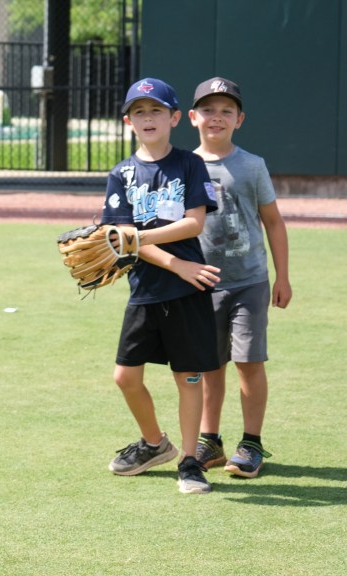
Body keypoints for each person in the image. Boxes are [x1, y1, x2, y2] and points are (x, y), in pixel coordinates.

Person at [101, 78, 222, 494]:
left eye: (156, 110)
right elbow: (120, 238)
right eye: (139, 111)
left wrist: (138, 236)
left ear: (174, 118)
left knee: (188, 377)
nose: (147, 117)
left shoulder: (189, 164)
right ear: (128, 121)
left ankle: (189, 461)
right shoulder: (121, 174)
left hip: (187, 291)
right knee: (125, 376)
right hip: (147, 289)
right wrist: (175, 263)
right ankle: (155, 443)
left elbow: (194, 222)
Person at [188, 77, 292, 479]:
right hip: (201, 283)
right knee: (209, 366)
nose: (217, 117)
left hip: (249, 281)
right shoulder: (183, 166)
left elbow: (274, 222)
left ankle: (251, 442)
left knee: (249, 362)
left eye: (226, 111)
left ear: (240, 119)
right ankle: (209, 441)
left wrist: (282, 277)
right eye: (208, 110)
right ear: (193, 117)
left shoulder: (252, 165)